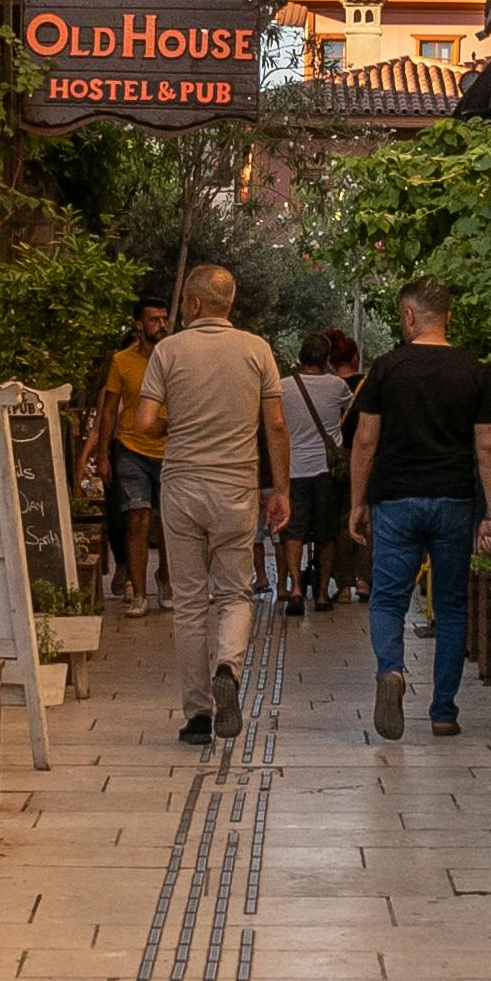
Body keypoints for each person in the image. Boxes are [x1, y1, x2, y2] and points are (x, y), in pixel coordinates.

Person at [343, 281, 491, 739]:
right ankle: (443, 712)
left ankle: (391, 670)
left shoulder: (387, 368)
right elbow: (488, 443)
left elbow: (366, 438)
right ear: (448, 317)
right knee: (452, 607)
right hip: (453, 500)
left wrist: (358, 501)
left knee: (388, 599)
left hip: (396, 499)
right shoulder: (475, 370)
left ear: (409, 317)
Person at [141, 263, 288, 739]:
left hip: (182, 486)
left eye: (184, 302)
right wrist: (280, 489)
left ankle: (198, 714)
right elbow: (277, 426)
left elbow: (144, 422)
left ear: (196, 304)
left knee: (189, 602)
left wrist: (173, 424)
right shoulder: (257, 350)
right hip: (236, 489)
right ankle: (229, 666)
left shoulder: (168, 350)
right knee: (234, 593)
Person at [85, 294, 171, 610]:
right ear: (139, 324)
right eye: (154, 319)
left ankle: (165, 577)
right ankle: (139, 592)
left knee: (169, 523)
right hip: (131, 450)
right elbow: (109, 411)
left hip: (170, 452)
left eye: (164, 319)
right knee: (138, 519)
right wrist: (104, 456)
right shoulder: (122, 361)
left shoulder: (174, 358)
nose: (161, 325)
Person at [277, 331, 353, 616]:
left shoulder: (283, 386)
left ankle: (296, 588)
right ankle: (322, 593)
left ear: (300, 356)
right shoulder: (338, 386)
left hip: (293, 469)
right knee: (326, 533)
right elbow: (350, 410)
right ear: (326, 359)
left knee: (293, 531)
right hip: (326, 471)